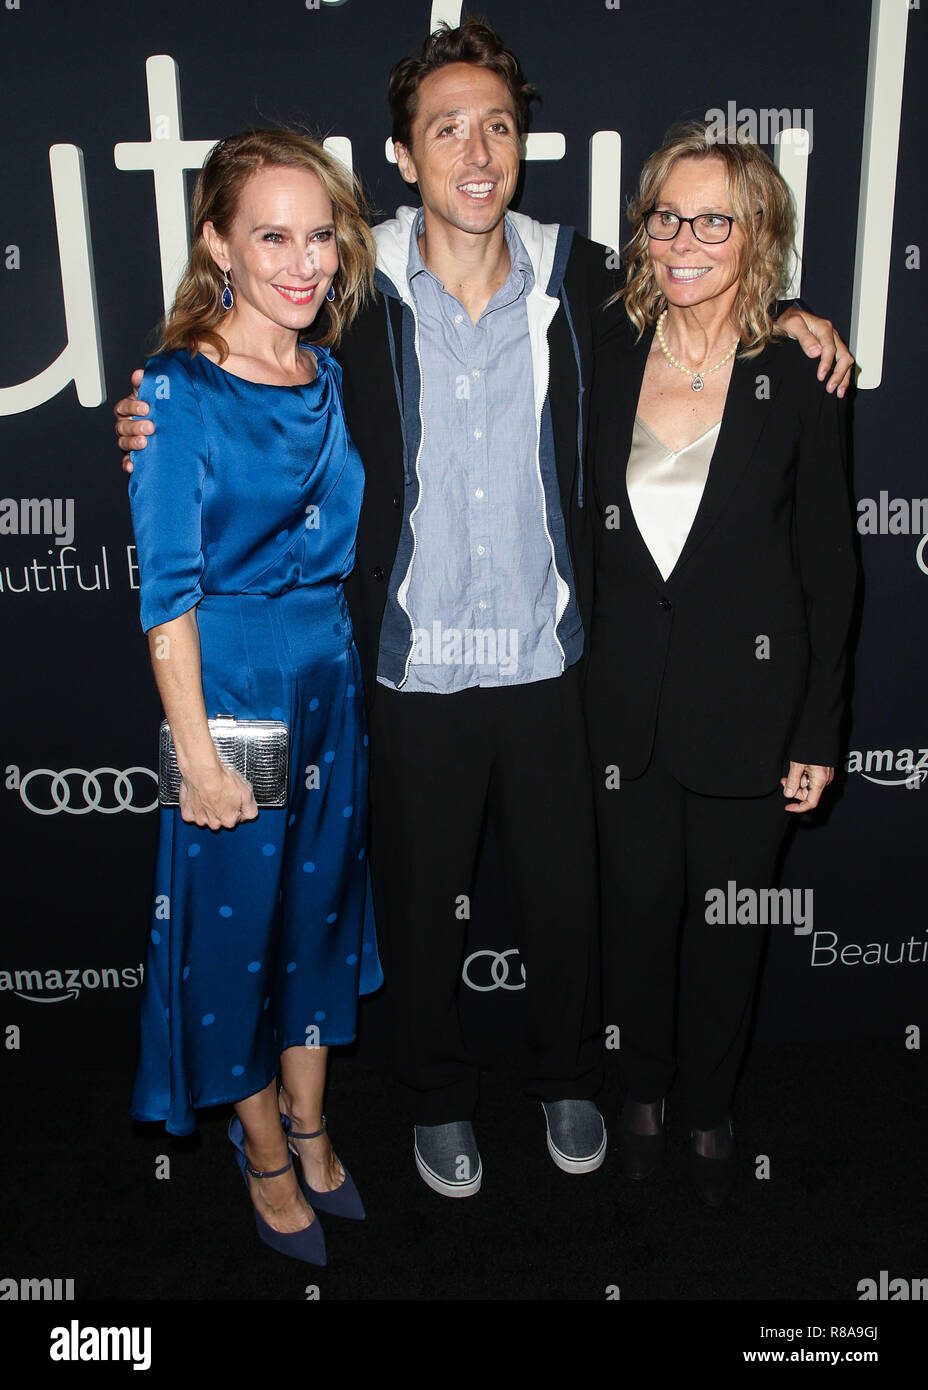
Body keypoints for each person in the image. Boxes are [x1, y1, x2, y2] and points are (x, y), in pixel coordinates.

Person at [115, 20, 853, 1201]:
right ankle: (438, 1099)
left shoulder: (582, 284)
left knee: (567, 905)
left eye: (497, 126)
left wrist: (807, 320)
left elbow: (712, 282)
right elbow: (245, 349)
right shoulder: (349, 293)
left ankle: (568, 1077)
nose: (475, 149)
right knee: (419, 913)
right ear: (403, 155)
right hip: (407, 673)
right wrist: (155, 403)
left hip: (550, 663)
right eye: (446, 127)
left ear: (522, 145)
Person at [584, 120, 858, 1206]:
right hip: (620, 710)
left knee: (728, 933)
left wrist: (818, 730)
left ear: (758, 236)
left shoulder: (797, 368)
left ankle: (707, 1111)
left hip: (751, 711)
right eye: (667, 216)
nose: (685, 239)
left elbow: (830, 567)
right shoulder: (602, 343)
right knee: (638, 921)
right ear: (642, 227)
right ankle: (638, 1093)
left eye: (714, 219)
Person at [126, 128, 382, 1263]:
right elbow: (166, 596)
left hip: (329, 677)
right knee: (234, 933)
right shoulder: (176, 392)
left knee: (319, 913)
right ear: (217, 242)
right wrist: (201, 757)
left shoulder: (322, 368)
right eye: (271, 233)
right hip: (232, 693)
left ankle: (317, 1122)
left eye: (319, 234)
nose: (301, 260)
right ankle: (265, 1147)